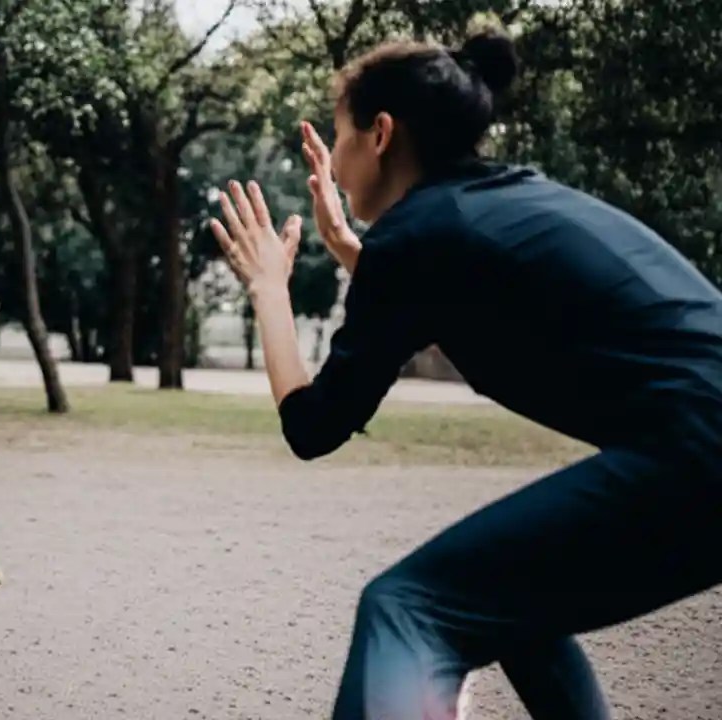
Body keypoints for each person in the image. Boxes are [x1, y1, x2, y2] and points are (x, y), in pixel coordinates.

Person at [209, 28, 722, 720]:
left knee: (407, 606)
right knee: (510, 600)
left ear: (381, 134)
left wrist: (270, 288)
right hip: (702, 434)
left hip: (702, 440)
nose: (333, 164)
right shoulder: (495, 203)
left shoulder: (420, 237)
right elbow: (450, 299)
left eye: (340, 137)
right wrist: (347, 248)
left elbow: (312, 424)